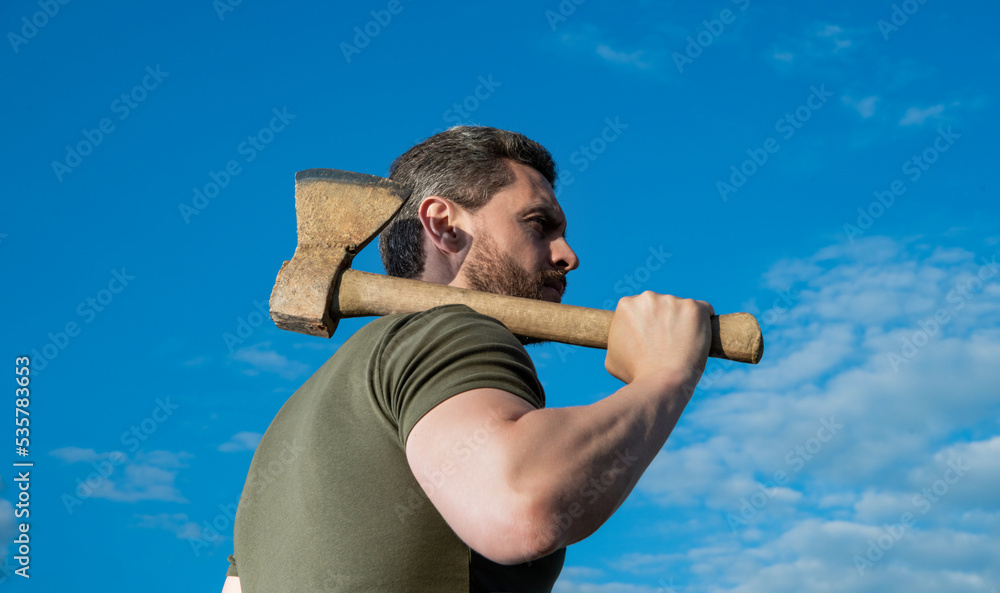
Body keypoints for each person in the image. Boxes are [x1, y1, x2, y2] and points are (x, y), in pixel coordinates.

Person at [221, 126, 714, 592]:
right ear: (444, 225)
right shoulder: (450, 330)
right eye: (539, 225)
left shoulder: (287, 437)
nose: (567, 255)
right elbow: (519, 507)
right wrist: (664, 374)